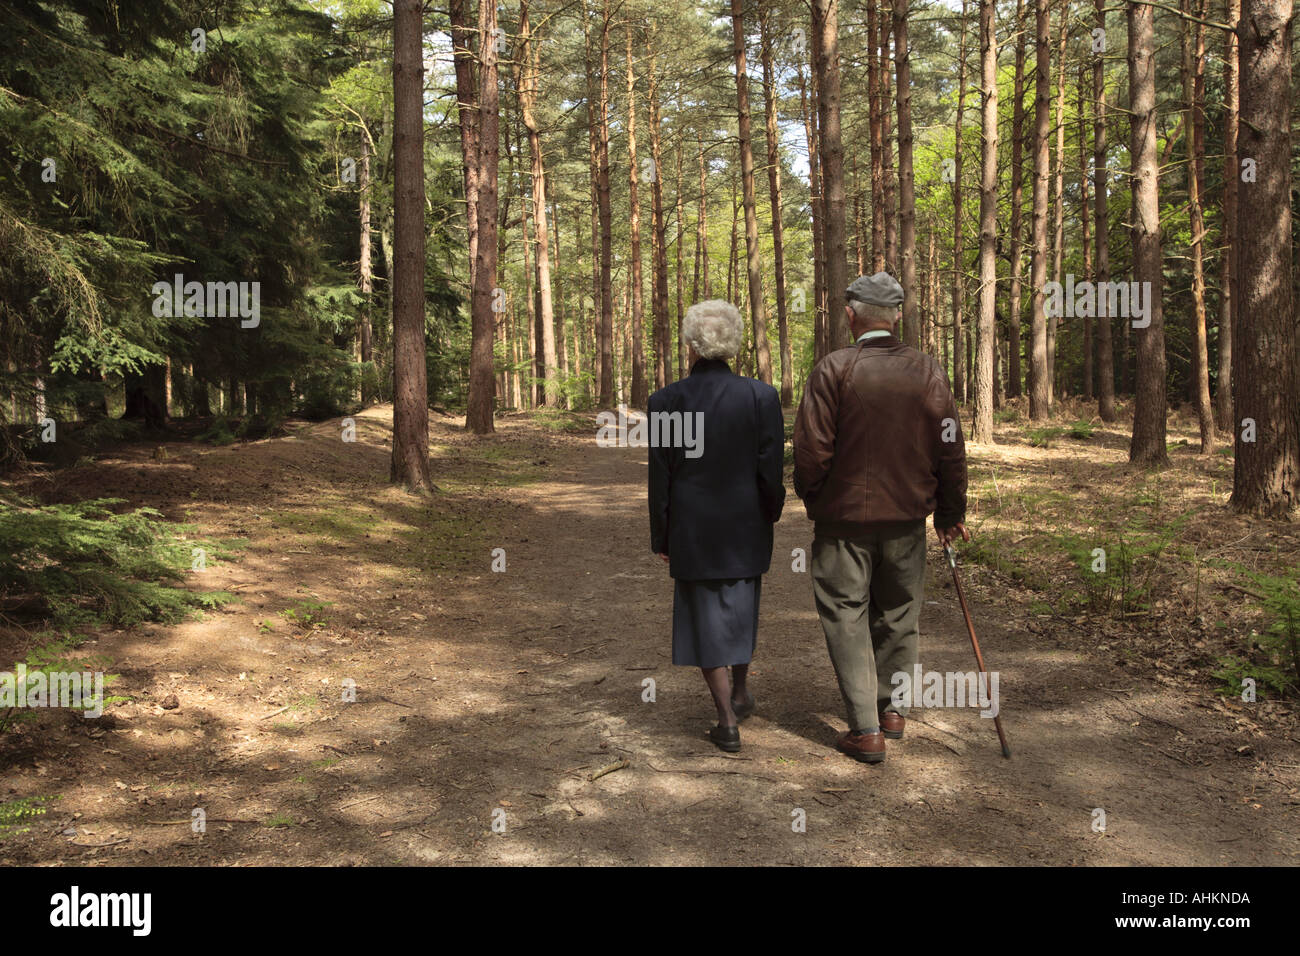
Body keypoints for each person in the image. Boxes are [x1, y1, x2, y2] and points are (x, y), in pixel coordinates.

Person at [792, 272, 968, 765]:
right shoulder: (927, 370)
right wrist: (950, 513)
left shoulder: (833, 369)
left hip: (843, 523)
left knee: (845, 616)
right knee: (899, 614)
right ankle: (892, 713)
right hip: (907, 521)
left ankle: (866, 729)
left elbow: (810, 453)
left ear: (851, 316)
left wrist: (817, 501)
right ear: (897, 317)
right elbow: (950, 447)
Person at [648, 300, 786, 753]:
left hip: (693, 528)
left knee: (706, 618)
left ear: (691, 346)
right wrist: (772, 510)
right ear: (732, 345)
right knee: (741, 609)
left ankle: (727, 717)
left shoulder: (668, 402)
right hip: (747, 524)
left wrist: (662, 535)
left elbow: (662, 477)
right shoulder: (760, 397)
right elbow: (771, 468)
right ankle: (740, 692)